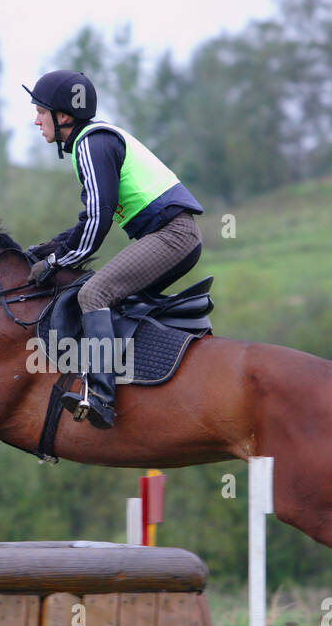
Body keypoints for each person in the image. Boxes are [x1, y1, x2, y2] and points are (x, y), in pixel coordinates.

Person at [22, 69, 204, 430]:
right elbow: (87, 219)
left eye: (40, 112)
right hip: (175, 235)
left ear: (63, 116)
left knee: (95, 292)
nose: (35, 120)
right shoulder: (93, 143)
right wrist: (49, 247)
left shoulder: (90, 144)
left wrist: (58, 261)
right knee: (102, 294)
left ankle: (101, 396)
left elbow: (98, 221)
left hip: (173, 236)